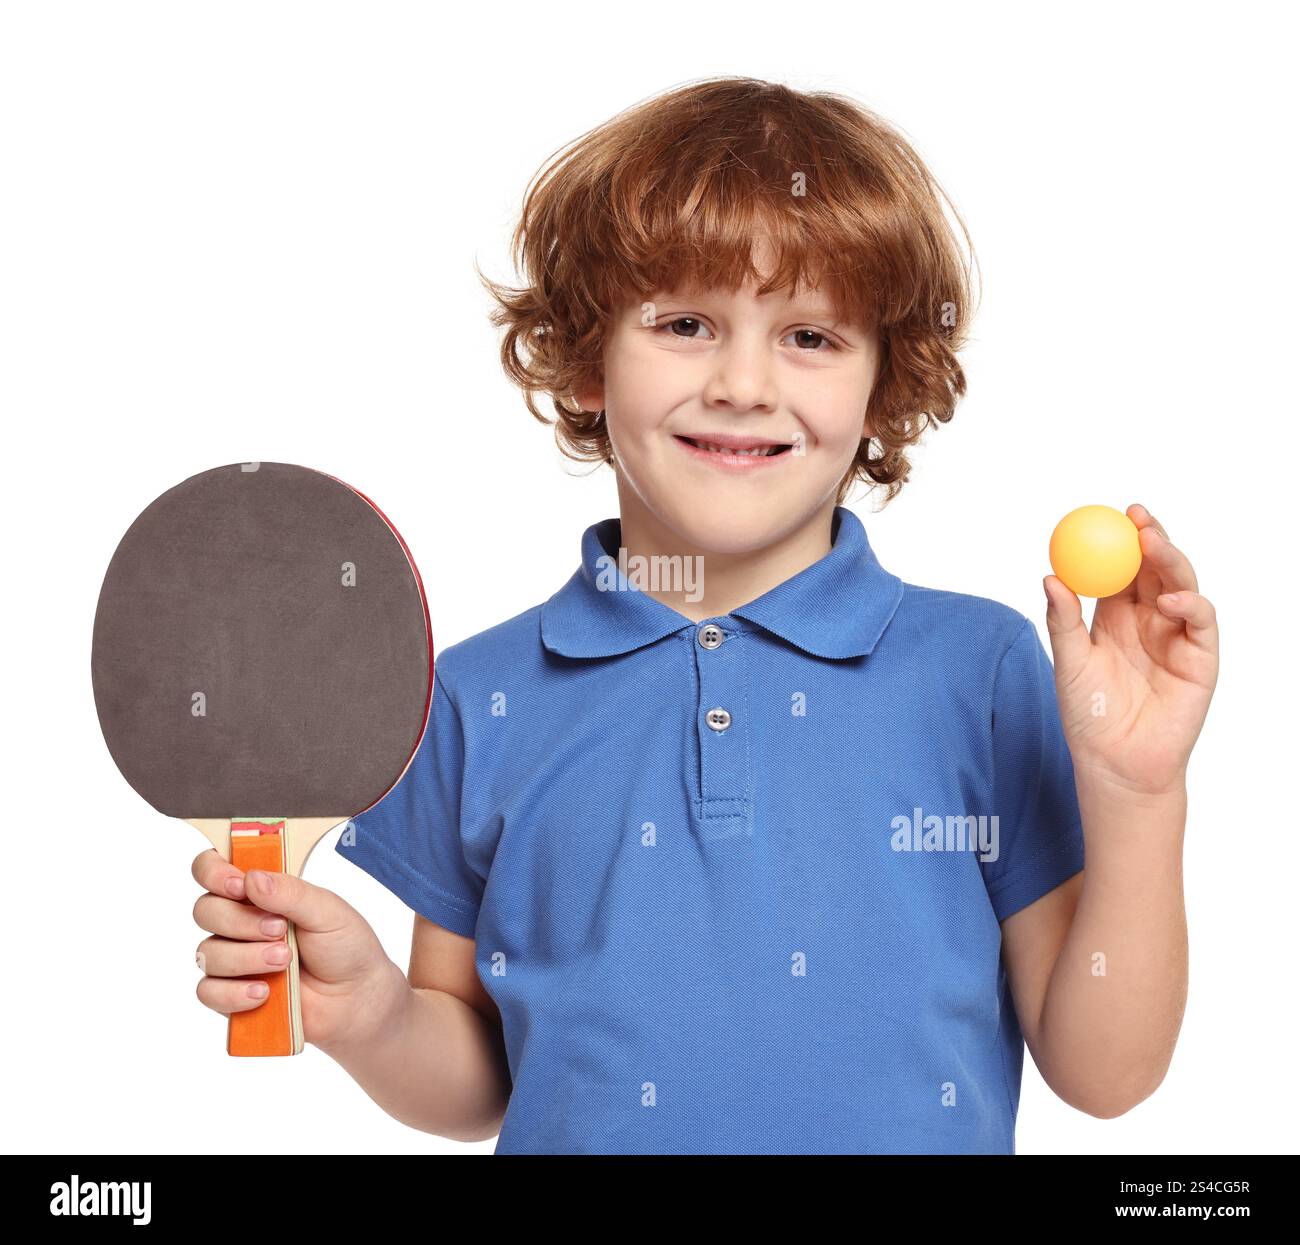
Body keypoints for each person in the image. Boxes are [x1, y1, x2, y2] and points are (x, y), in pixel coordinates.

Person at [190, 76, 1219, 1154]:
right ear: (587, 362)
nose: (742, 382)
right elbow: (480, 1084)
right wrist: (377, 1018)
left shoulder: (984, 672)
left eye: (810, 337)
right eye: (685, 323)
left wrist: (1138, 793)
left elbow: (1106, 1076)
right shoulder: (476, 695)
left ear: (881, 386)